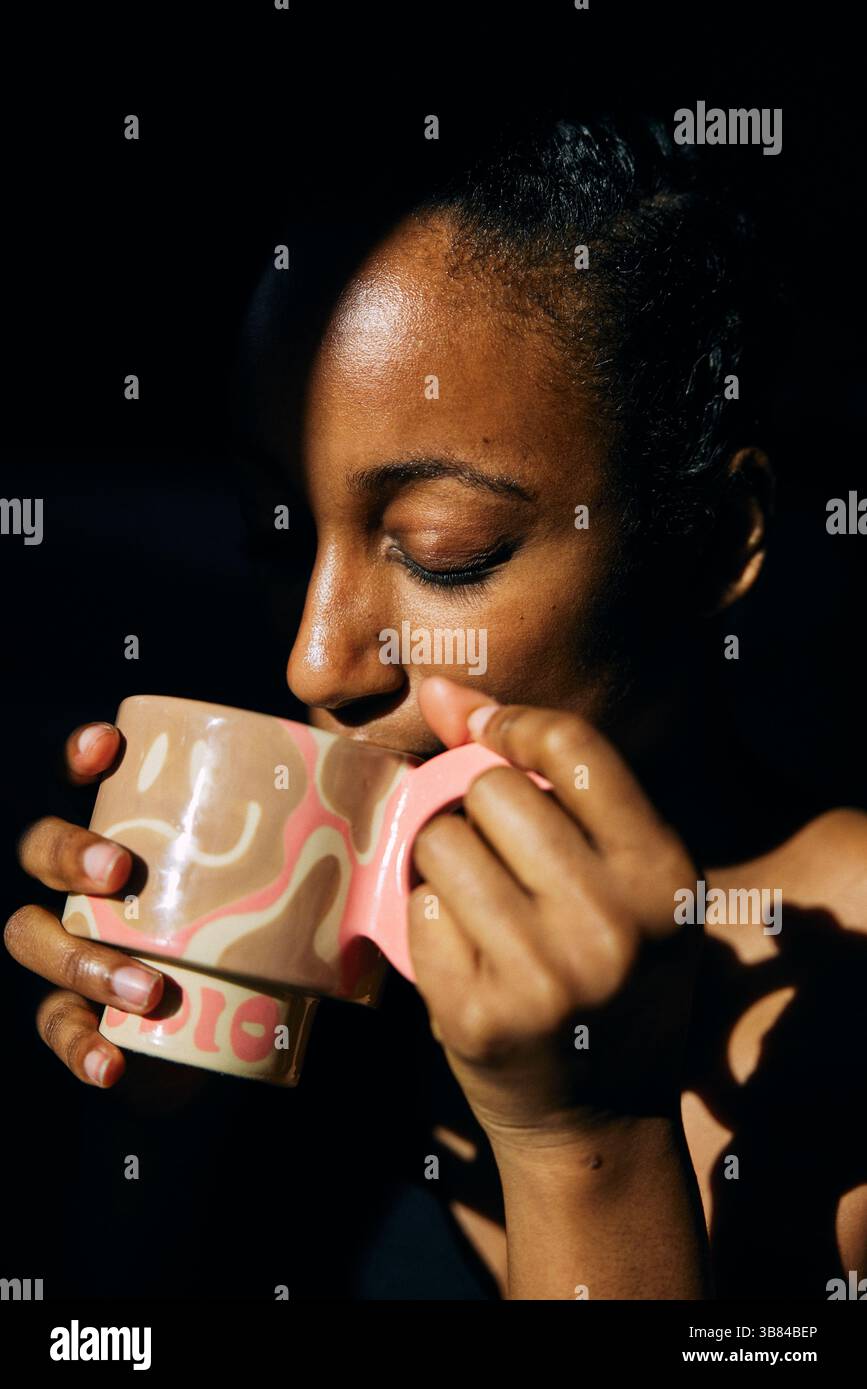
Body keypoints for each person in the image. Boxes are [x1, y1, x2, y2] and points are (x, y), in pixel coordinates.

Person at [6, 112, 867, 1300]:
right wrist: (159, 1094)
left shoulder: (844, 1014)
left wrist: (585, 1152)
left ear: (719, 539)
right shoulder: (351, 966)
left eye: (442, 552)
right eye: (277, 533)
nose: (315, 661)